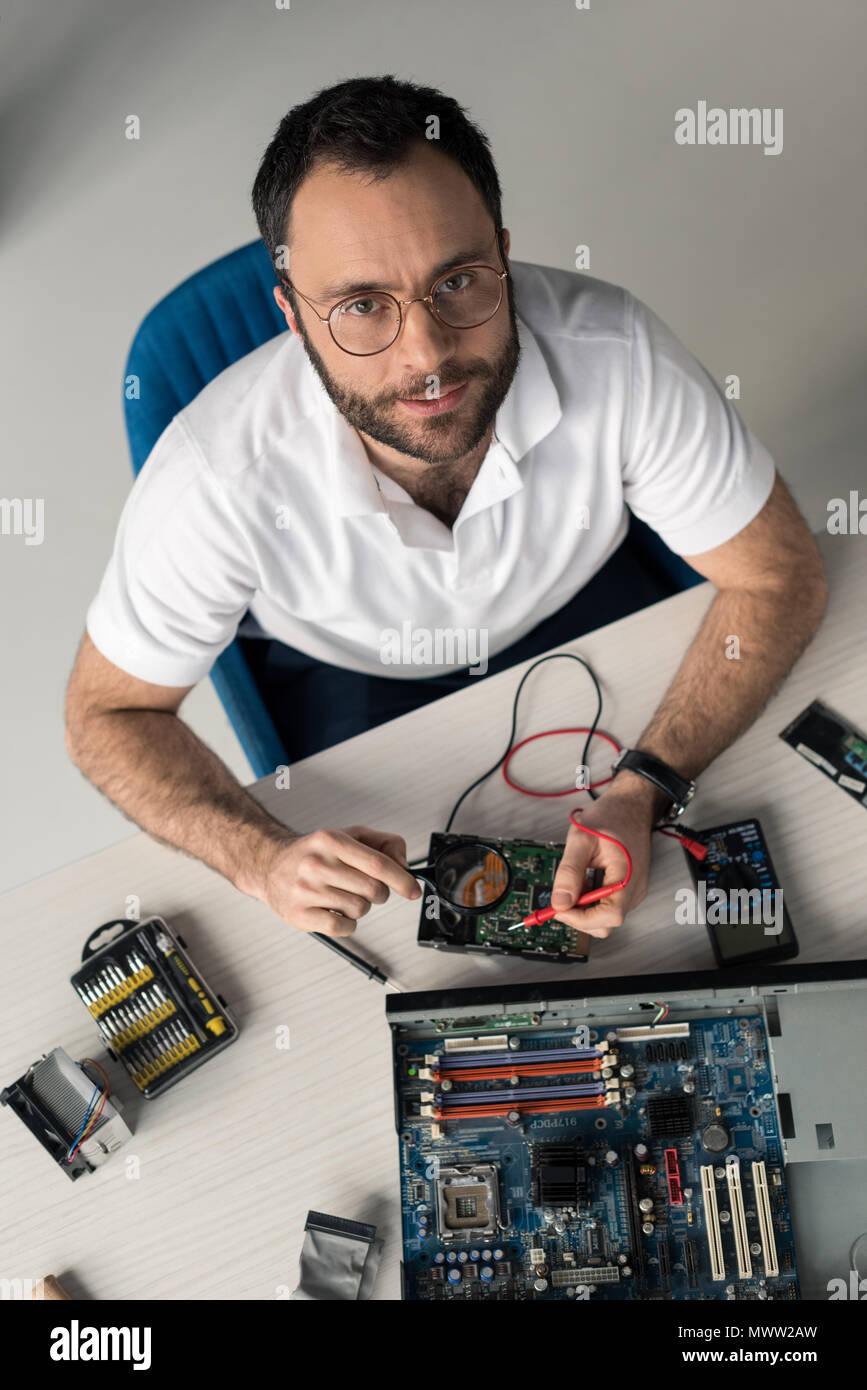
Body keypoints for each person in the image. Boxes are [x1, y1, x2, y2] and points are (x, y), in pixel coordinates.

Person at [65, 75, 827, 945]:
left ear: (503, 253)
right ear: (291, 315)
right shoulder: (211, 475)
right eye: (360, 306)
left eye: (458, 281)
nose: (425, 356)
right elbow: (107, 716)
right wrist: (258, 858)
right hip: (355, 668)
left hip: (579, 594)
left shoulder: (617, 352)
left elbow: (780, 576)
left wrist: (643, 788)